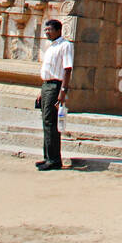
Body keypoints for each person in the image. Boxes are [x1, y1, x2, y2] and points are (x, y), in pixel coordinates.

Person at [35, 19, 73, 171]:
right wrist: (41, 90)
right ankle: (48, 157)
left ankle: (54, 160)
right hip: (46, 85)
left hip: (56, 86)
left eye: (49, 30)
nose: (47, 32)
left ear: (58, 30)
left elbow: (67, 69)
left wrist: (63, 91)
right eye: (46, 30)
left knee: (51, 122)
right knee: (46, 120)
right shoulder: (51, 47)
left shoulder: (65, 45)